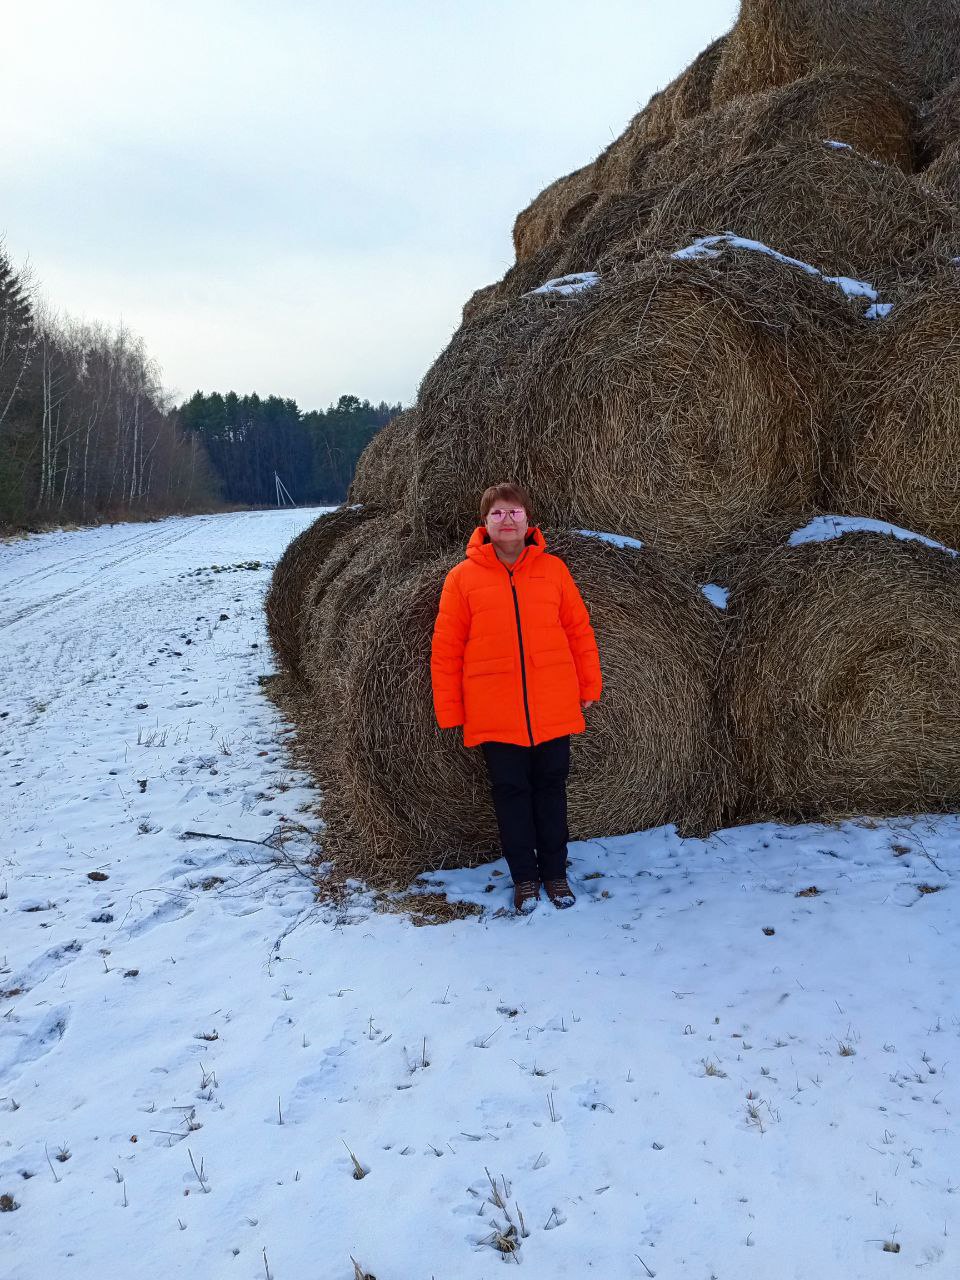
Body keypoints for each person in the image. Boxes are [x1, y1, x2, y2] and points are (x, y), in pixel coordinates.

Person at [430, 483, 602, 913]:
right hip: (495, 710)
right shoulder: (462, 578)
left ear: (528, 520)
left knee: (551, 790)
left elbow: (578, 630)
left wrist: (588, 685)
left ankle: (556, 874)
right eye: (497, 514)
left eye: (514, 512)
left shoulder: (554, 570)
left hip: (552, 703)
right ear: (484, 525)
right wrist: (451, 709)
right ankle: (525, 878)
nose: (507, 521)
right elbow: (447, 648)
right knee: (510, 793)